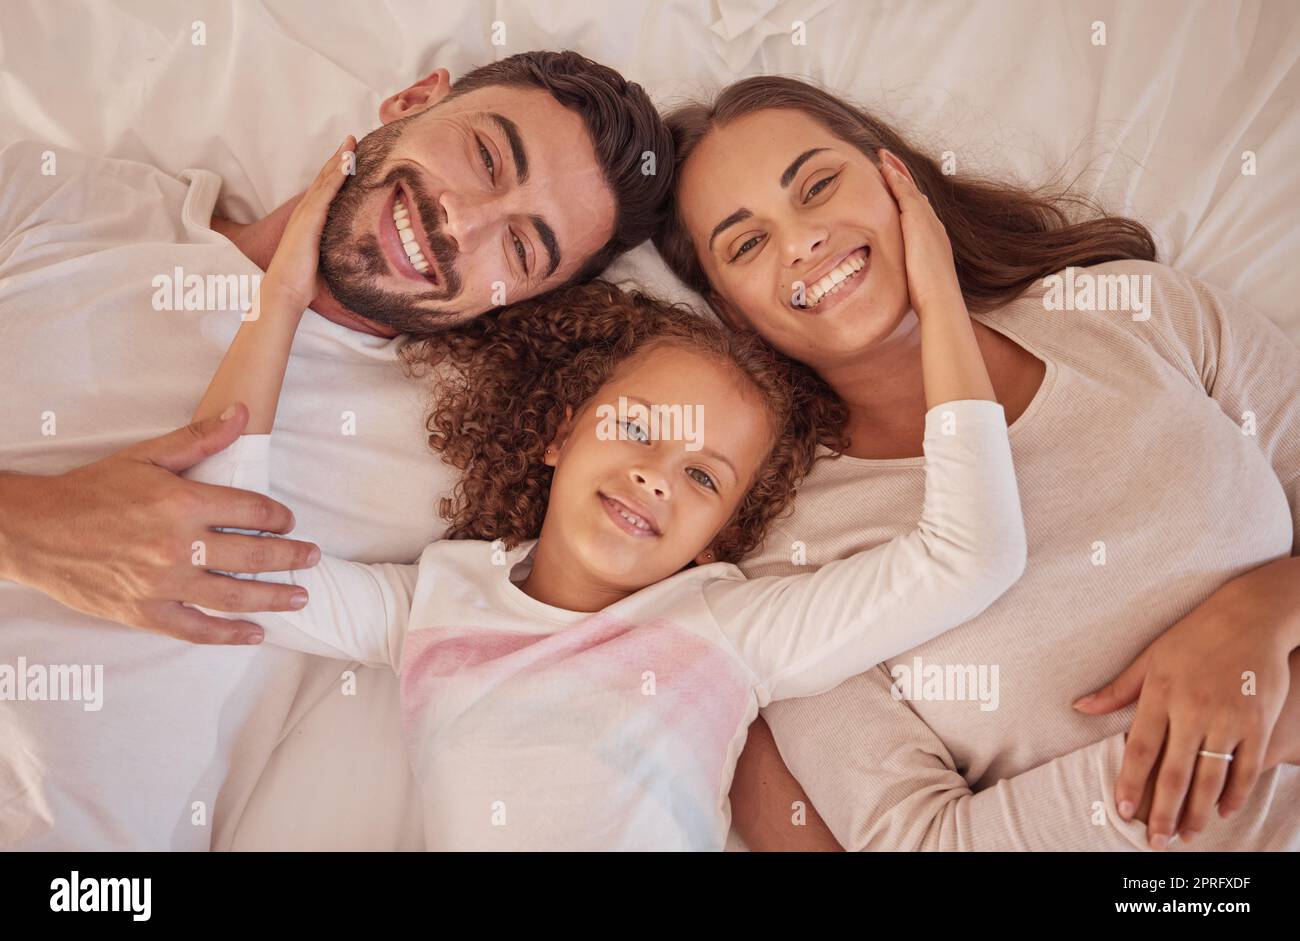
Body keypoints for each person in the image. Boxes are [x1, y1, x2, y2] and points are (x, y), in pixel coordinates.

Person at [179, 138, 1024, 849]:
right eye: (637, 428)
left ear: (715, 537)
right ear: (559, 433)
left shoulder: (724, 627)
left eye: (702, 478)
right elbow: (221, 562)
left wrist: (936, 293)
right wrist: (279, 301)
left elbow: (969, 556)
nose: (659, 473)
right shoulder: (437, 599)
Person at [0, 51, 671, 849]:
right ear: (414, 99)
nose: (464, 221)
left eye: (521, 250)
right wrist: (27, 527)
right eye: (487, 157)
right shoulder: (70, 206)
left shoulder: (456, 458)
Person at [654, 76, 1300, 851]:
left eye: (818, 185)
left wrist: (1258, 611)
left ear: (897, 177)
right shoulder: (792, 556)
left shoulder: (1133, 312)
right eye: (747, 243)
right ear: (730, 308)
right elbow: (918, 841)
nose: (800, 241)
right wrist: (1267, 725)